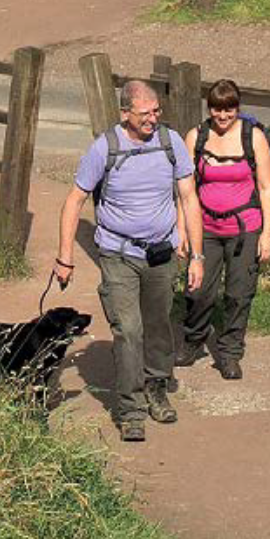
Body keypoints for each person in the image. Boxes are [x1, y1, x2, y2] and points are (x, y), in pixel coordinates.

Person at [55, 79, 205, 443]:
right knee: (128, 330)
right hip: (119, 255)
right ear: (125, 113)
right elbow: (74, 200)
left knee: (157, 326)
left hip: (161, 253)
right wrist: (65, 257)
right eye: (144, 114)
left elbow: (188, 198)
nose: (152, 119)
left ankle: (156, 388)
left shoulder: (170, 144)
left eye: (156, 111)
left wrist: (197, 256)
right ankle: (131, 408)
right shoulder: (104, 148)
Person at [179, 80, 270, 379]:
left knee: (238, 293)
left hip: (244, 228)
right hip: (204, 227)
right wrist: (181, 230)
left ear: (238, 108)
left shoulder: (253, 137)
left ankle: (230, 352)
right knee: (199, 291)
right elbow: (184, 189)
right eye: (217, 109)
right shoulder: (196, 137)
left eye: (229, 109)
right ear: (209, 109)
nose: (223, 116)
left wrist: (267, 232)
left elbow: (266, 186)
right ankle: (193, 340)